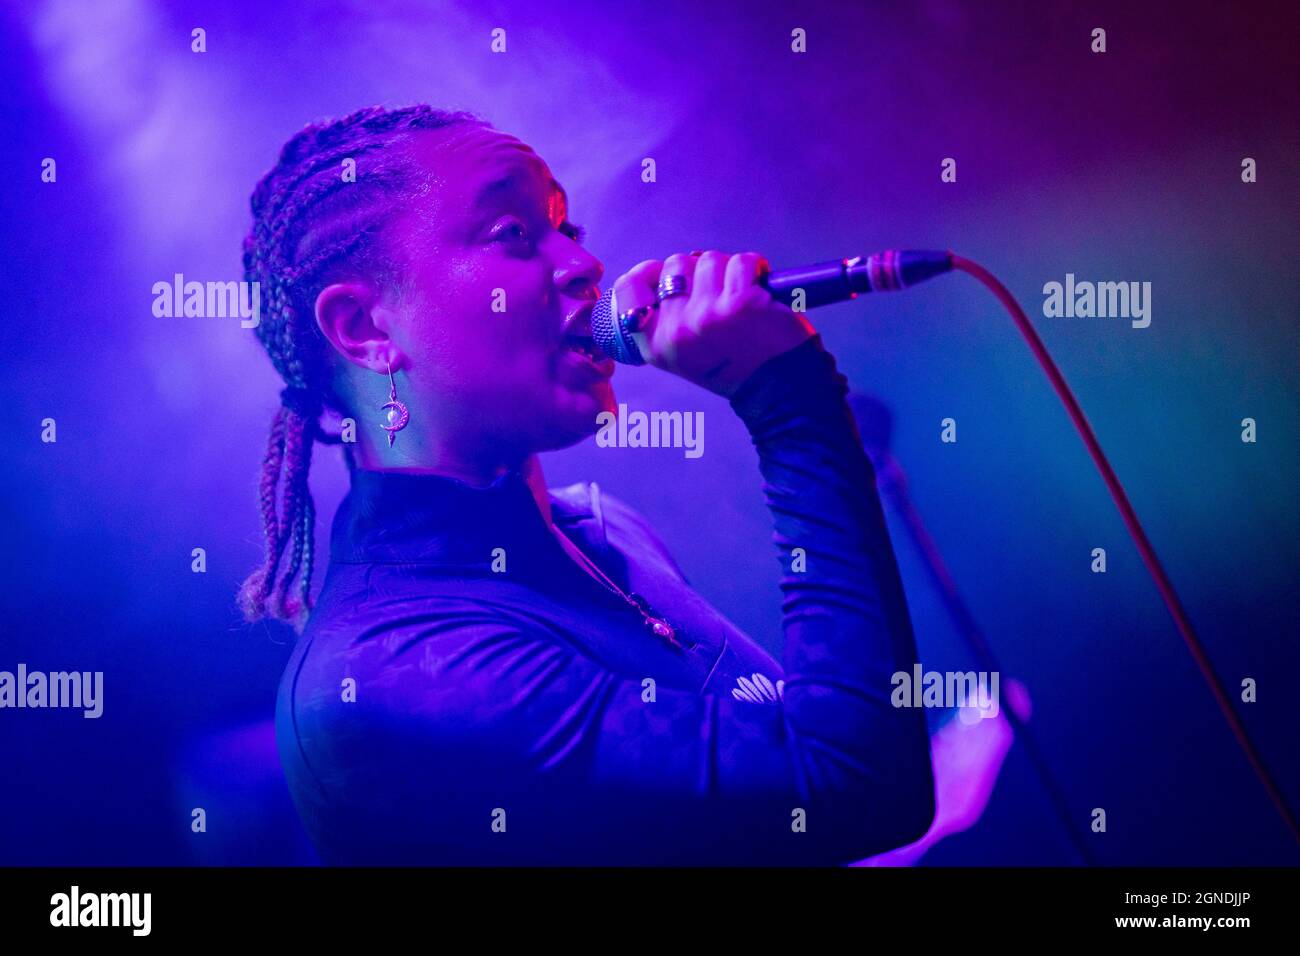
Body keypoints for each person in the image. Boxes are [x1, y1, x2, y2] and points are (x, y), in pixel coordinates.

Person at [239, 104, 936, 865]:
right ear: (365, 330)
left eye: (564, 229)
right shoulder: (390, 673)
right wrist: (787, 399)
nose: (581, 266)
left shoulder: (603, 528)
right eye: (512, 233)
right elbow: (850, 782)